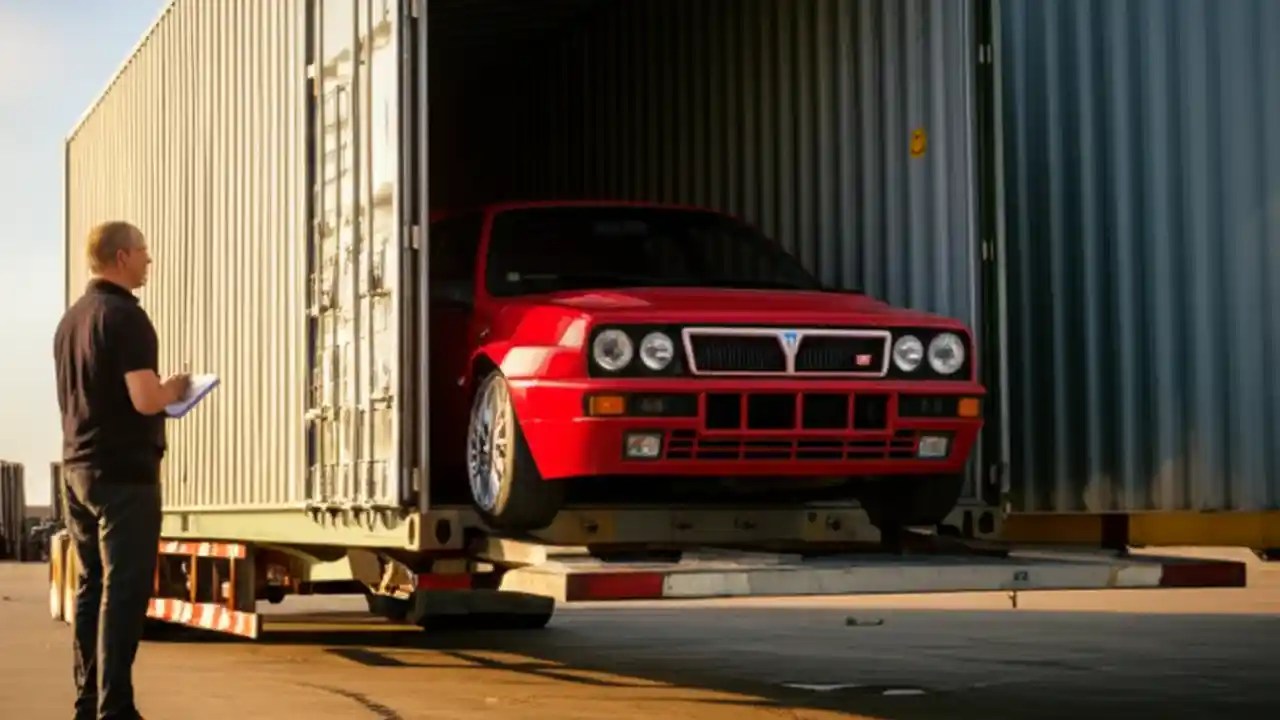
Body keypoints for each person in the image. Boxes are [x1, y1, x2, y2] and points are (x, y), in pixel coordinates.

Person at [53, 221, 190, 720]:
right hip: (124, 477)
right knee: (125, 591)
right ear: (121, 257)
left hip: (77, 469)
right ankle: (116, 708)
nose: (148, 260)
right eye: (143, 252)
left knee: (90, 587)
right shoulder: (127, 318)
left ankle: (88, 702)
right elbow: (145, 398)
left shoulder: (71, 321)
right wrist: (176, 389)